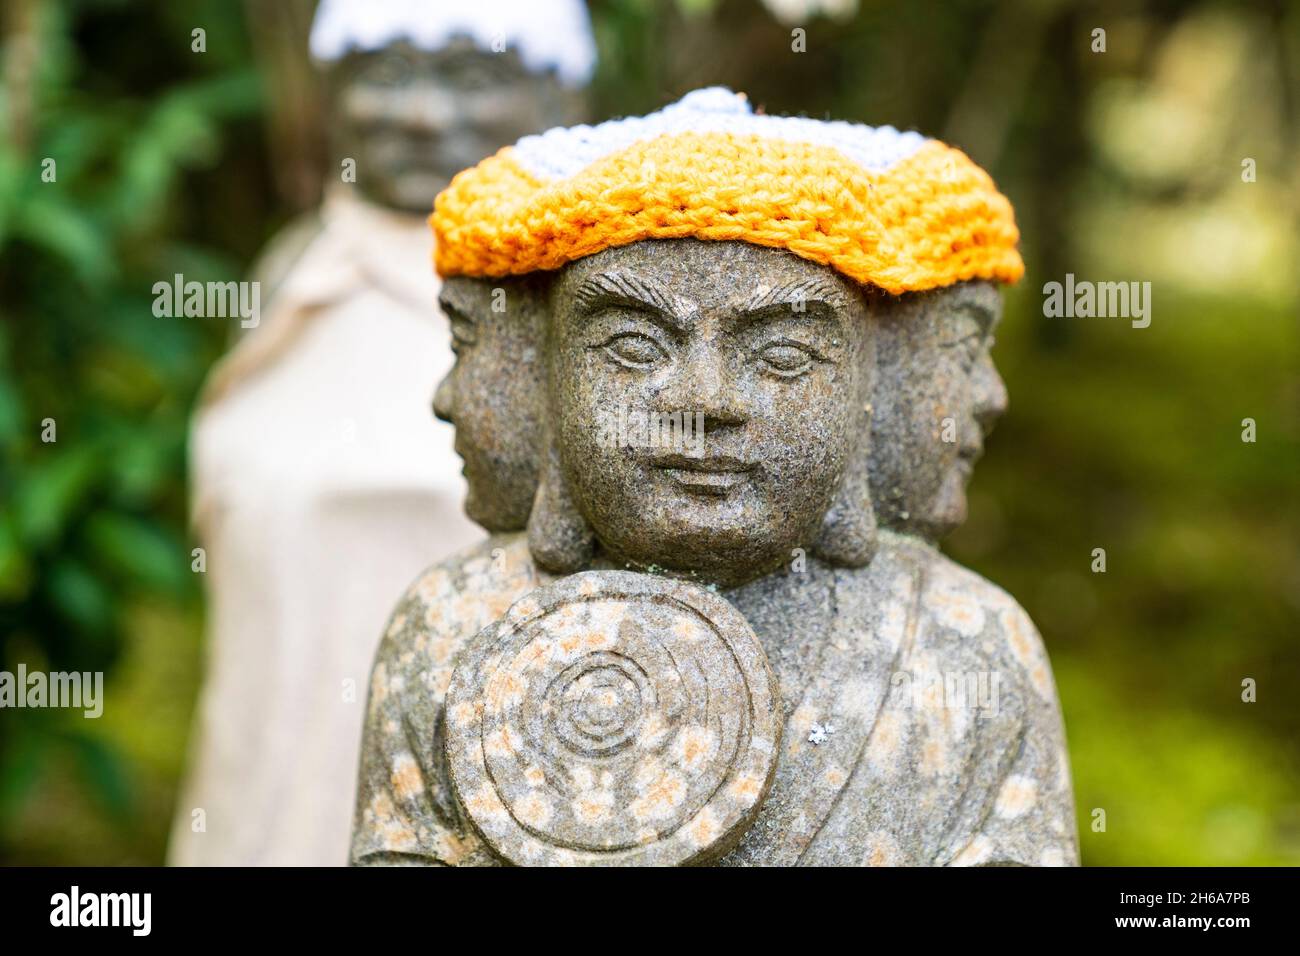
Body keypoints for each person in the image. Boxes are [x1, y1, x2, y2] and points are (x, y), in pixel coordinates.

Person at [169, 0, 593, 866]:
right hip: (264, 771)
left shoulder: (577, 303)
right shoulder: (294, 272)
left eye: (473, 78)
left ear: (559, 97)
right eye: (387, 74)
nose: (424, 114)